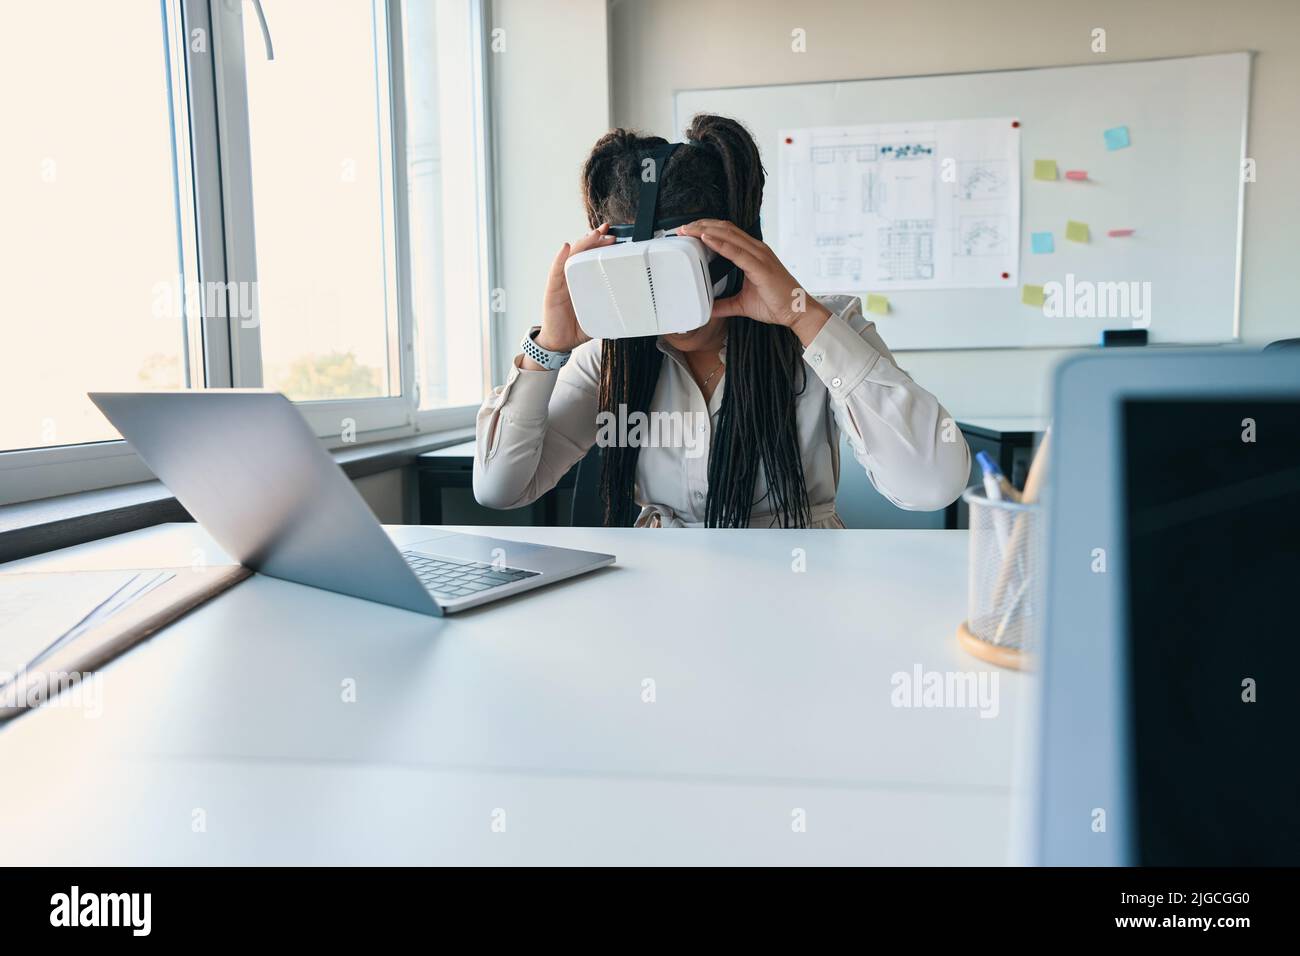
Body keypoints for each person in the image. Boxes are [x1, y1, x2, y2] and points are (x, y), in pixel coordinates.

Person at [474, 114, 969, 528]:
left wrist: (802, 316)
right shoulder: (609, 359)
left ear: (736, 250)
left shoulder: (824, 325)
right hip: (661, 600)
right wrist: (549, 348)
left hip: (798, 595)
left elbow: (932, 483)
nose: (665, 308)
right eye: (641, 281)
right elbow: (500, 488)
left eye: (680, 274)